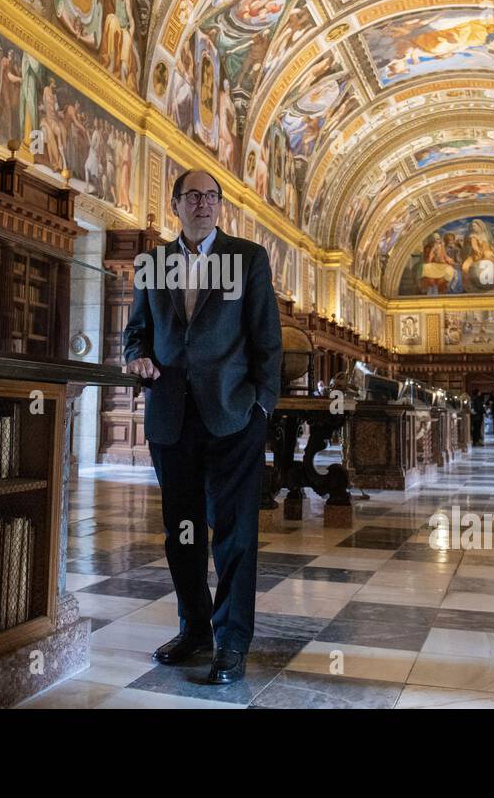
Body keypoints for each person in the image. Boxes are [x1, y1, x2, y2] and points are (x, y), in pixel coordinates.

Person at [123, 168, 281, 686]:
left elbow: (267, 341)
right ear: (175, 204)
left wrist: (262, 407)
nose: (204, 204)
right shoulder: (152, 263)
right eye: (193, 196)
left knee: (235, 534)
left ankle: (232, 642)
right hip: (172, 417)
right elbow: (136, 332)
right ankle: (194, 629)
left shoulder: (248, 258)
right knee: (182, 532)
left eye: (212, 196)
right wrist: (137, 358)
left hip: (234, 416)